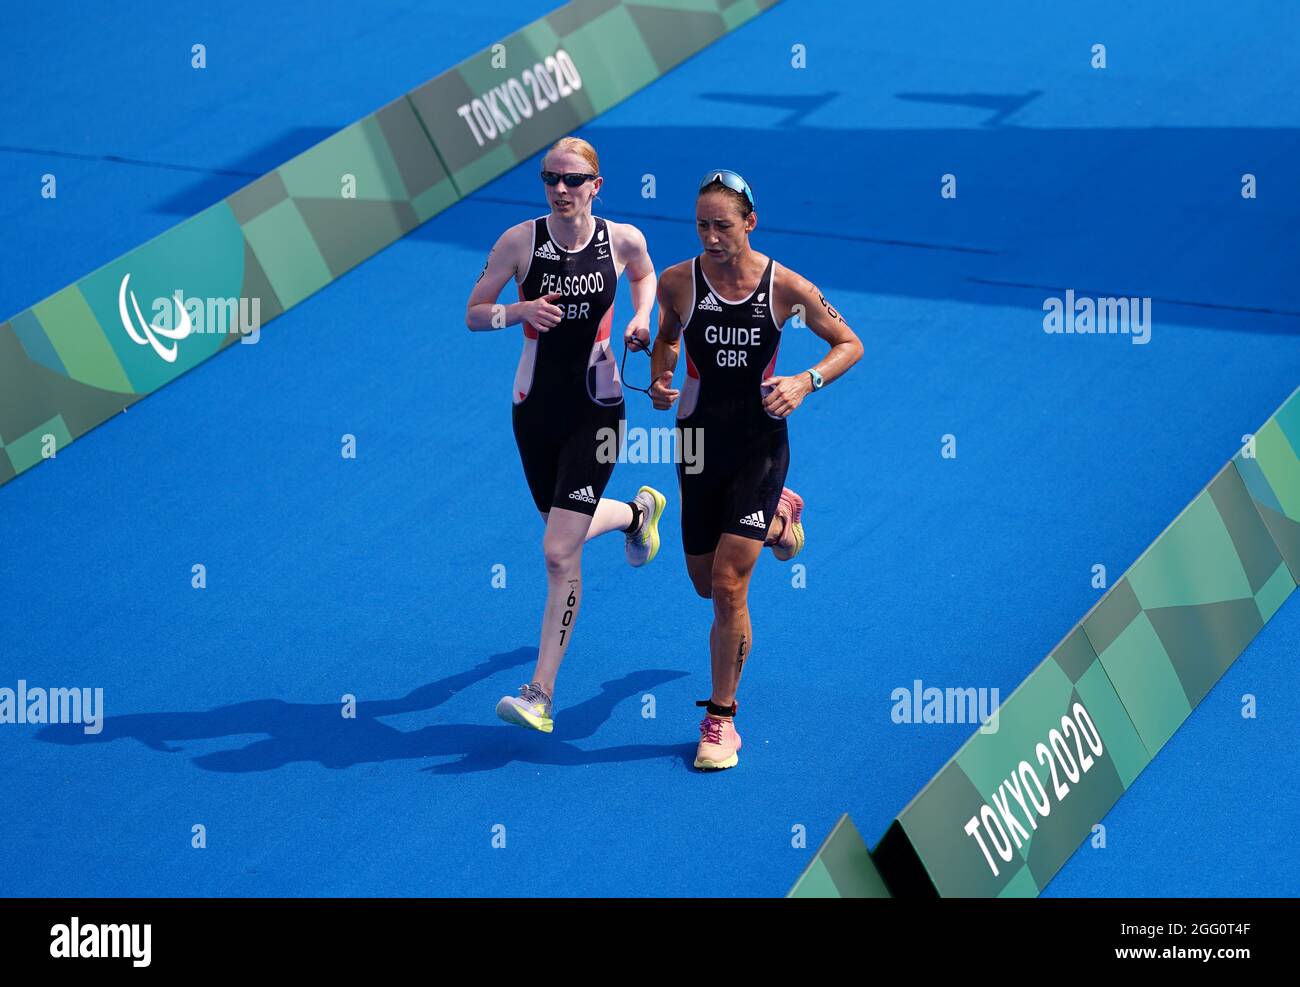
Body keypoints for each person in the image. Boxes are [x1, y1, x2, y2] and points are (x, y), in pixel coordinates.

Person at [648, 169, 863, 769]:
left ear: (750, 222)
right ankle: (777, 518)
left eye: (723, 225)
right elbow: (666, 341)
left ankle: (720, 720)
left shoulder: (786, 287)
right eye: (701, 225)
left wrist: (806, 379)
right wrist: (663, 379)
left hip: (760, 446)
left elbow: (849, 343)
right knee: (700, 580)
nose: (711, 237)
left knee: (726, 586)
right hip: (695, 444)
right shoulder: (677, 282)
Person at [465, 136, 664, 734]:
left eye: (574, 179)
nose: (561, 188)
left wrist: (639, 317)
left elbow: (645, 273)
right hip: (534, 411)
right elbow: (475, 312)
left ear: (596, 186)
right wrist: (519, 313)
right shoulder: (519, 243)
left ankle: (540, 693)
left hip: (598, 409)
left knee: (558, 551)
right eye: (550, 177)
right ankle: (635, 514)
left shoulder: (621, 239)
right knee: (562, 527)